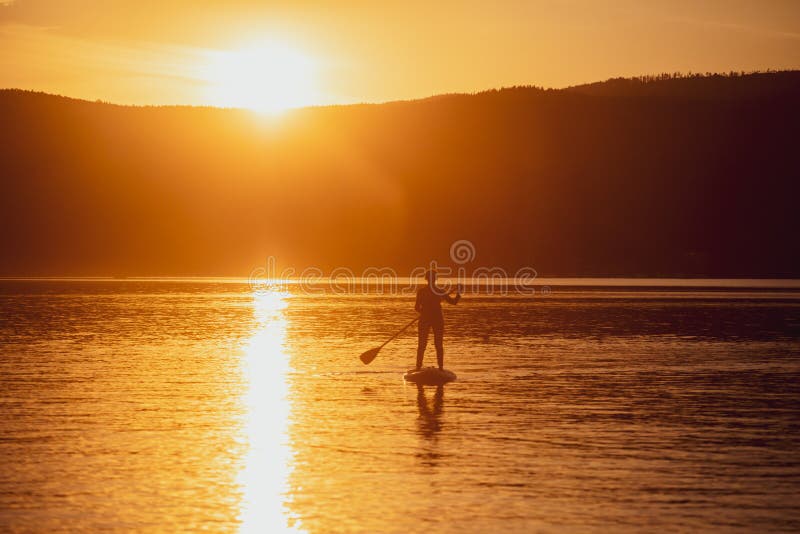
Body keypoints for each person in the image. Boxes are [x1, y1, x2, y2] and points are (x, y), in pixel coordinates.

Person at [415, 269, 461, 370]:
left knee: (438, 344)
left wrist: (459, 294)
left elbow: (453, 302)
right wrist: (424, 311)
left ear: (435, 279)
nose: (432, 280)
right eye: (430, 278)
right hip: (425, 319)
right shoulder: (422, 292)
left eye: (433, 278)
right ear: (427, 279)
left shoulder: (440, 292)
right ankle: (418, 367)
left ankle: (441, 368)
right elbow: (416, 308)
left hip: (437, 320)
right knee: (422, 344)